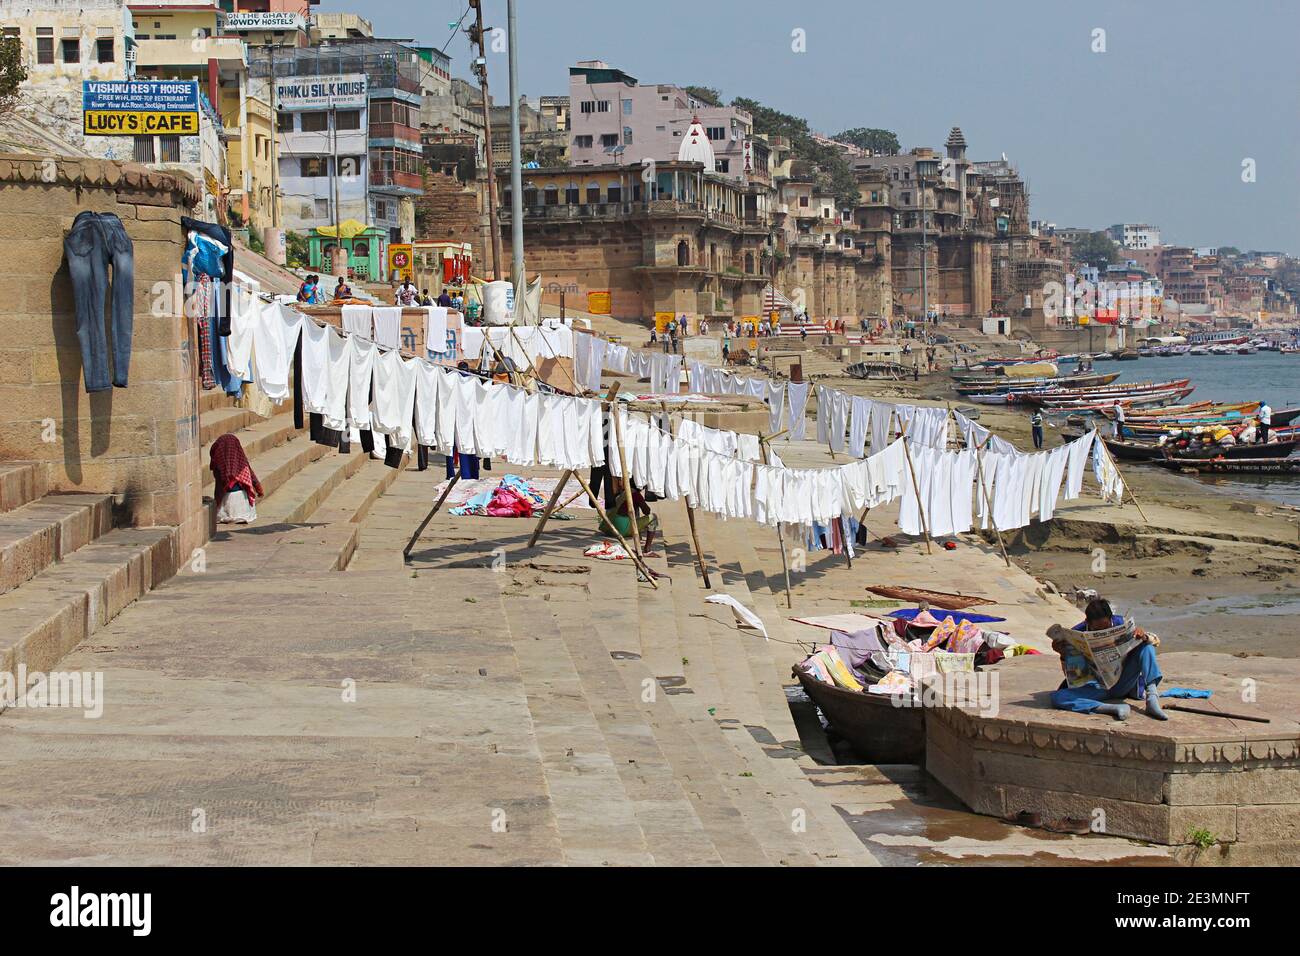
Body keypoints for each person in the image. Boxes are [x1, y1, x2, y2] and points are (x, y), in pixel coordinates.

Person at [1049, 598, 1165, 721]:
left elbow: (1155, 641)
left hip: (1121, 682)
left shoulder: (1121, 623)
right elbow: (1070, 676)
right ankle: (1110, 708)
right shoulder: (1075, 633)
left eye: (1106, 627)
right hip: (1095, 688)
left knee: (1146, 647)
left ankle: (1152, 698)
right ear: (1087, 622)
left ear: (1111, 618)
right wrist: (1062, 654)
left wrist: (1144, 636)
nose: (1102, 631)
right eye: (1097, 629)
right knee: (1058, 697)